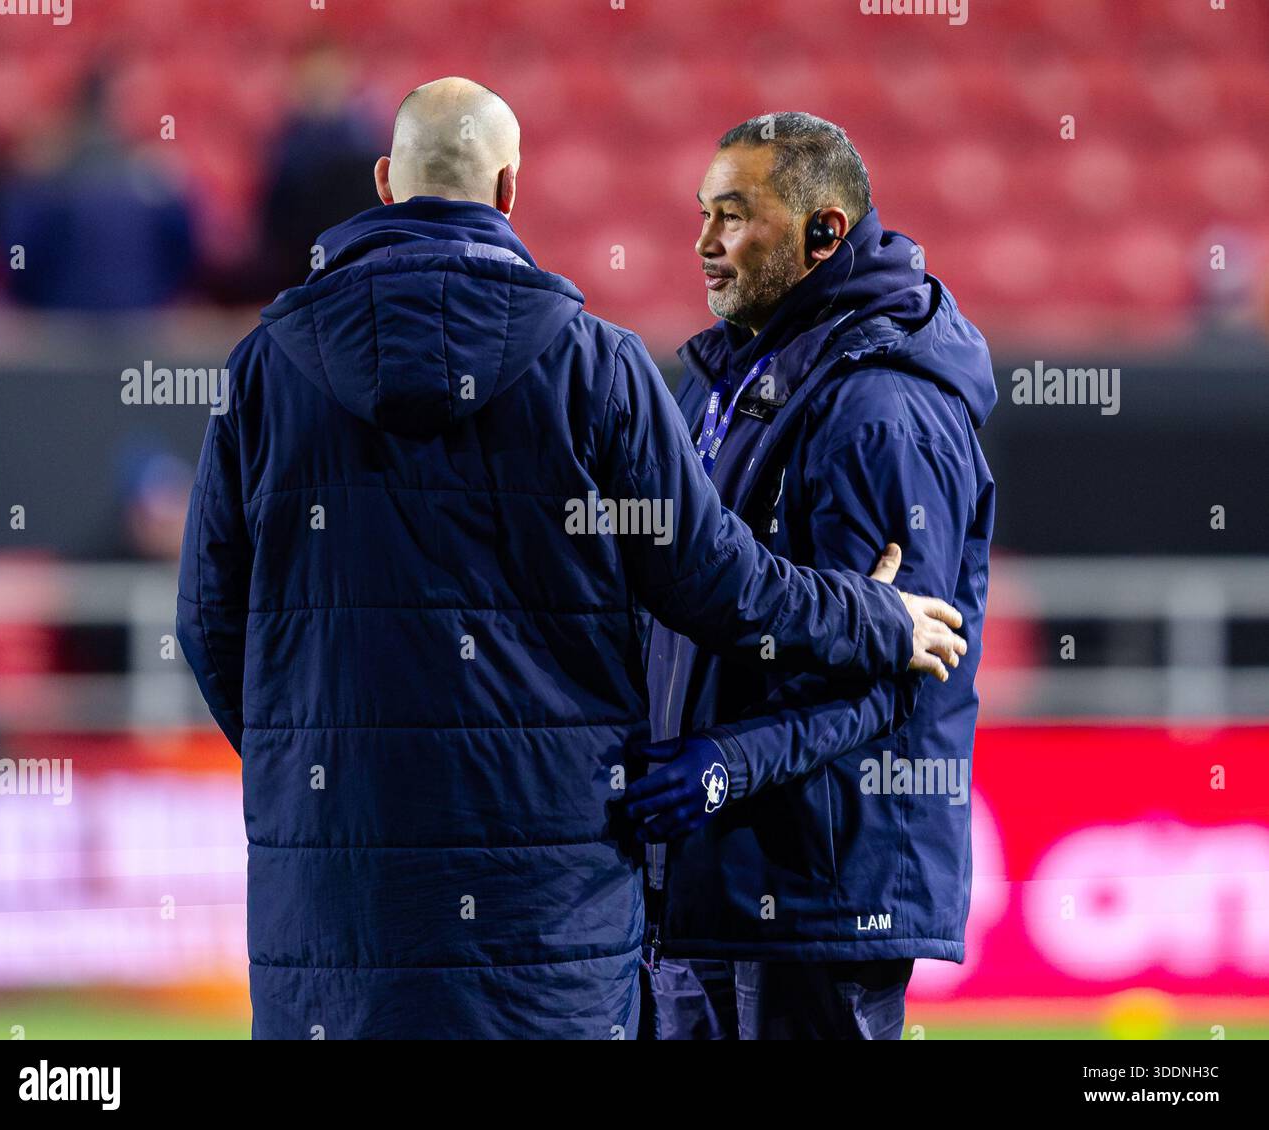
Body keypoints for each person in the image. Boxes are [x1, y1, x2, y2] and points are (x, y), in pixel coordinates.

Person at [176, 80, 965, 1039]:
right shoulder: (602, 367)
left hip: (332, 913)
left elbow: (208, 626)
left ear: (387, 183)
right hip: (551, 916)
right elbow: (717, 586)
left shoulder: (264, 369)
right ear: (510, 189)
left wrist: (319, 764)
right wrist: (874, 617)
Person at [629, 113, 996, 1040]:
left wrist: (722, 765)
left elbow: (904, 667)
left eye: (733, 216)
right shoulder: (720, 384)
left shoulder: (883, 410)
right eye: (703, 214)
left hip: (822, 889)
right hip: (713, 866)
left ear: (822, 233)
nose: (704, 243)